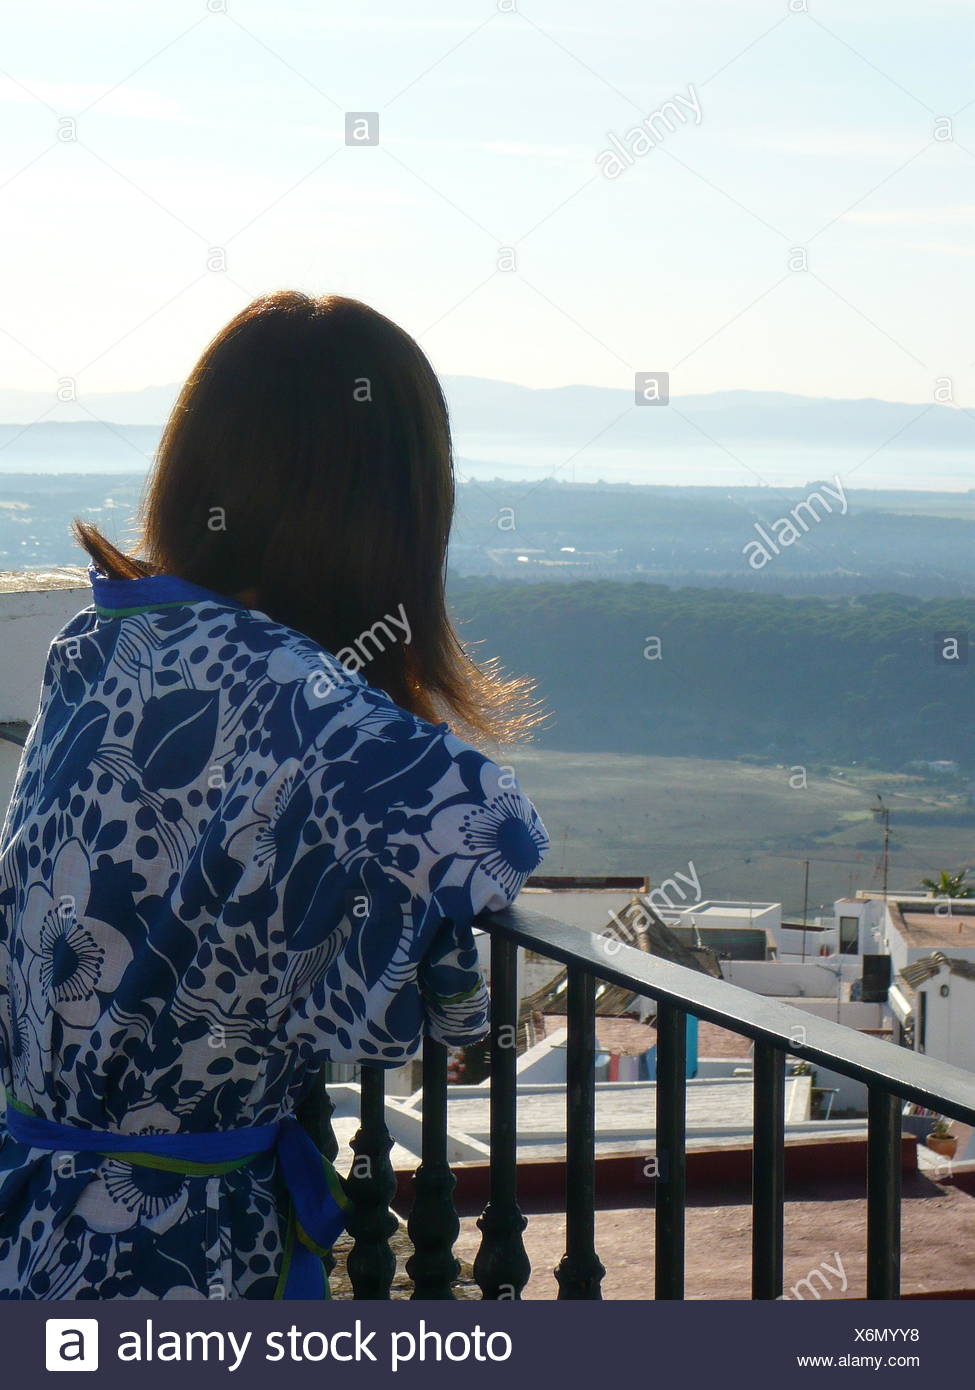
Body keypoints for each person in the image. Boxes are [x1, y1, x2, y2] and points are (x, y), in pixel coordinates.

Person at [0, 291, 548, 1299]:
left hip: (32, 1227)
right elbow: (493, 829)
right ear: (391, 512)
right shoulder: (318, 714)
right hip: (173, 1259)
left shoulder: (98, 643)